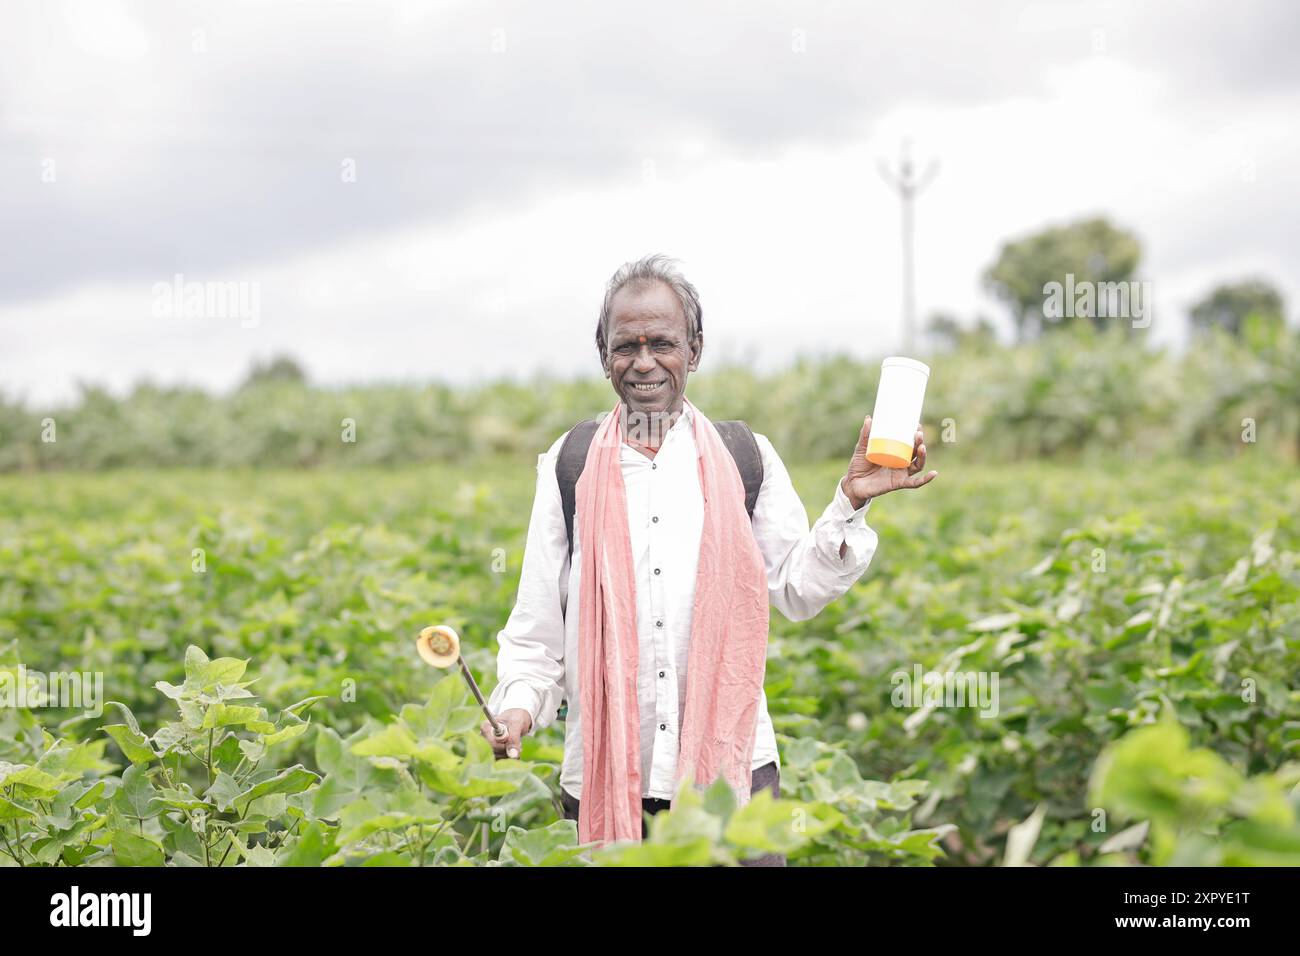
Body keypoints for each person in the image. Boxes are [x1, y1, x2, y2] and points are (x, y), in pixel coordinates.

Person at [480, 254, 937, 864]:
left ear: (693, 350)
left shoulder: (745, 456)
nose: (644, 362)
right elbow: (537, 629)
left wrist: (851, 501)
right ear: (603, 355)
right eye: (626, 346)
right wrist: (516, 709)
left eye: (662, 343)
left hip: (735, 781)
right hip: (607, 779)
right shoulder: (571, 463)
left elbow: (795, 588)